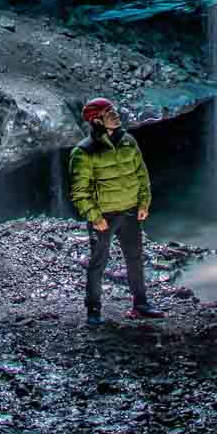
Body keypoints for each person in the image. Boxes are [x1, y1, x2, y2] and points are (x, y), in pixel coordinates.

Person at [69, 97, 164, 326]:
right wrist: (95, 217)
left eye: (114, 110)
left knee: (135, 258)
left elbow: (142, 174)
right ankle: (93, 310)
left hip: (130, 210)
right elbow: (79, 191)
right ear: (97, 120)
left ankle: (140, 303)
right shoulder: (84, 152)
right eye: (110, 112)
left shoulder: (128, 141)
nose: (116, 115)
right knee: (98, 262)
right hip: (104, 216)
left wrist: (143, 203)